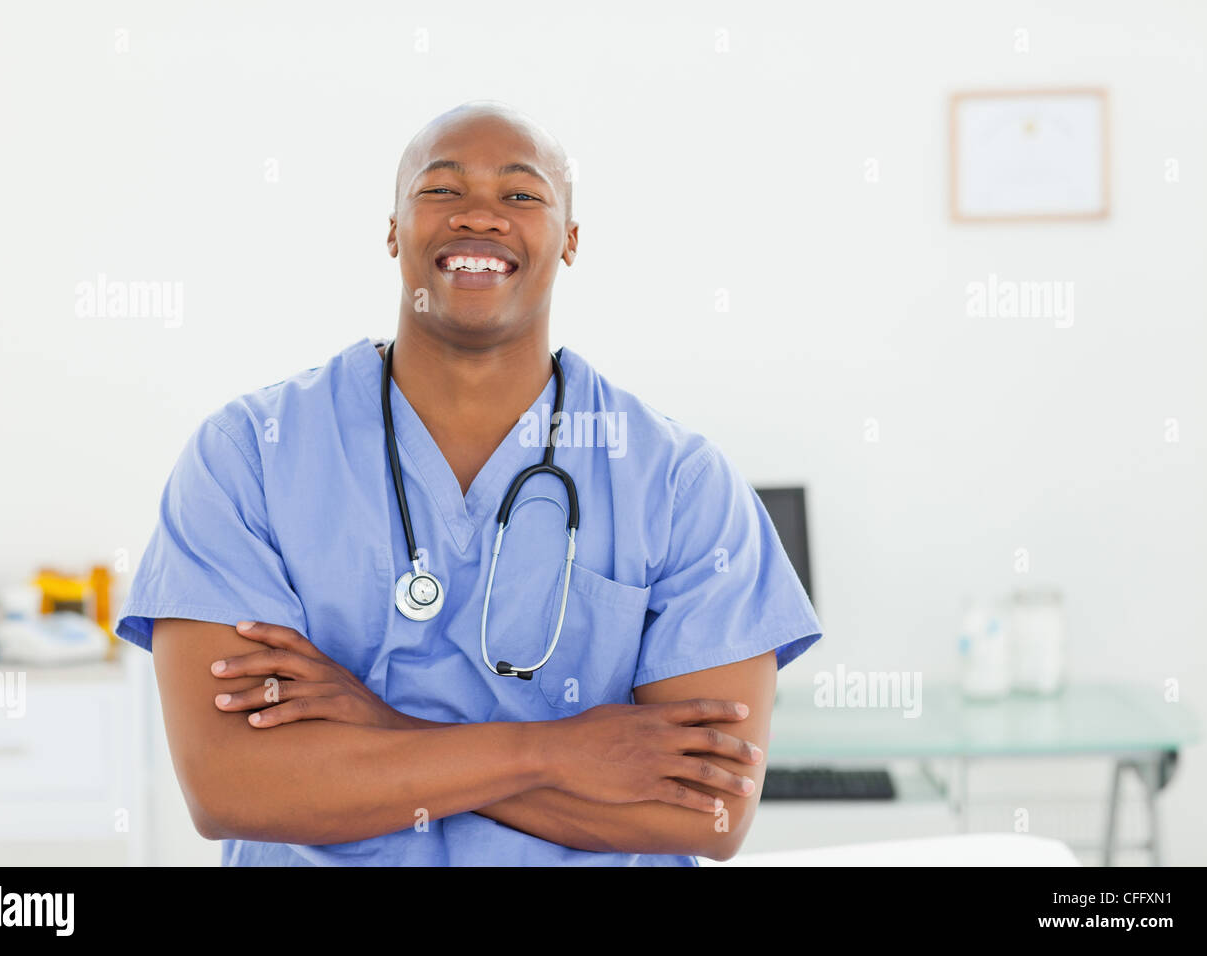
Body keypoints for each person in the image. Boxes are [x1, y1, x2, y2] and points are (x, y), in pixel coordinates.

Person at [115, 100, 822, 866]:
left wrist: (380, 728)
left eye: (522, 195)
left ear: (571, 240)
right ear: (393, 229)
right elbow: (231, 788)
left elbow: (704, 817)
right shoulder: (247, 457)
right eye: (441, 190)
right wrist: (556, 753)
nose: (480, 217)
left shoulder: (682, 485)